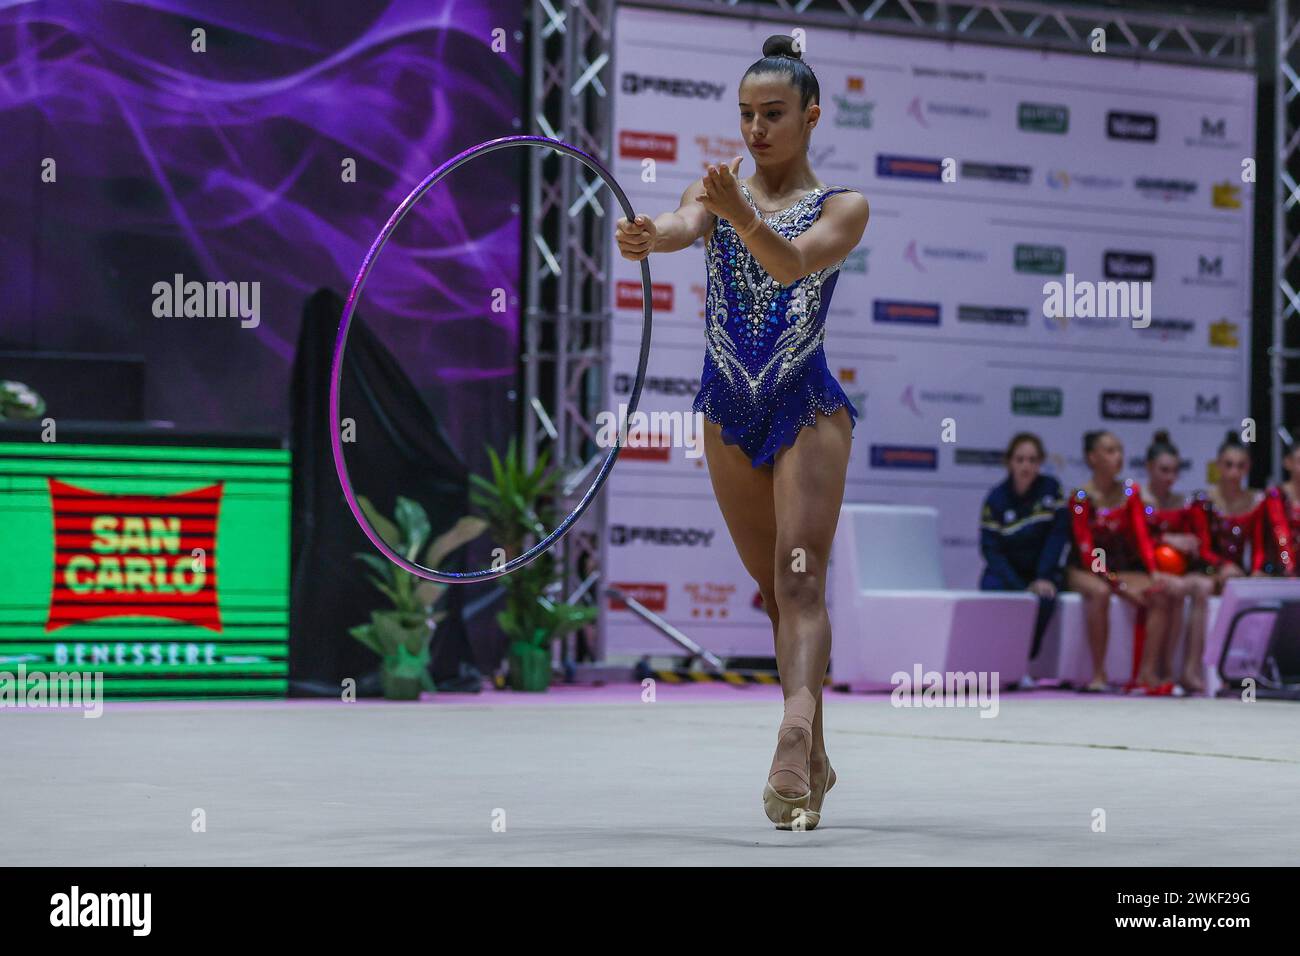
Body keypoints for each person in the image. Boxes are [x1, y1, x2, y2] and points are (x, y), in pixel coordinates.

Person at [614, 33, 869, 830]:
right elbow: (687, 222)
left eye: (774, 114)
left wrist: (737, 213)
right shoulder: (717, 190)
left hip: (804, 409)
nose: (757, 129)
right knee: (774, 596)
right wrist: (651, 234)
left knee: (800, 582)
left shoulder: (843, 207)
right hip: (728, 410)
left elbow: (793, 264)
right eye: (747, 115)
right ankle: (816, 757)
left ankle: (791, 733)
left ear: (811, 115)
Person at [1064, 430, 1174, 693]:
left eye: (1120, 451)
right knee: (1100, 593)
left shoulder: (1130, 492)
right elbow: (1087, 551)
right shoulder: (1081, 498)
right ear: (1092, 457)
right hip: (1083, 569)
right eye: (1110, 451)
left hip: (1120, 567)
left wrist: (1153, 570)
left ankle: (1146, 673)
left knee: (1159, 593)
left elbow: (1142, 536)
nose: (1118, 457)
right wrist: (1119, 586)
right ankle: (1099, 673)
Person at [978, 433, 1070, 686]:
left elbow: (1057, 537)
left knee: (1045, 597)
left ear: (1040, 463)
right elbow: (990, 549)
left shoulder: (1051, 490)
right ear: (1009, 462)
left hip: (1040, 570)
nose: (1026, 466)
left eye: (1032, 460)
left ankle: (1023, 662)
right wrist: (1019, 586)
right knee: (993, 592)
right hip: (1007, 572)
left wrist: (1042, 576)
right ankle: (994, 665)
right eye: (1020, 459)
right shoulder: (996, 498)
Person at [1141, 429, 1215, 694]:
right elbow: (1137, 542)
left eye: (1174, 471)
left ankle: (1190, 669)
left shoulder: (1183, 503)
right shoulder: (1137, 500)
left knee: (1203, 587)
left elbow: (1201, 543)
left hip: (1178, 570)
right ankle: (1160, 670)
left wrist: (1193, 546)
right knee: (1171, 590)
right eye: (1164, 470)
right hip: (1144, 568)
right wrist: (1167, 540)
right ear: (1149, 468)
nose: (1170, 478)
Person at [1192, 430, 1264, 587]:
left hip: (1240, 572)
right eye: (1229, 465)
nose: (1234, 472)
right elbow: (1202, 549)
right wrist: (1222, 565)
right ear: (1218, 465)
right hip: (1208, 570)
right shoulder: (1204, 501)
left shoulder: (1256, 502)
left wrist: (1256, 570)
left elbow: (1258, 547)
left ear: (1248, 467)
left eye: (1241, 466)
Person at [1255, 432, 1300, 576]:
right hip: (1279, 571)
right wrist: (1290, 567)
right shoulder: (1276, 496)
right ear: (1287, 462)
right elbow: (1281, 533)